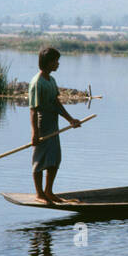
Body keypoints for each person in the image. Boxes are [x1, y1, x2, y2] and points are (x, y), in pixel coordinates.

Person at [29, 47, 81, 203]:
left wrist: (71, 120)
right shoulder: (37, 83)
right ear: (48, 62)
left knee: (55, 158)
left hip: (53, 123)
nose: (58, 64)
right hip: (42, 123)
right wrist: (35, 133)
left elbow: (57, 103)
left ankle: (49, 191)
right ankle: (39, 194)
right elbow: (33, 110)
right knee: (40, 159)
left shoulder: (51, 80)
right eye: (55, 61)